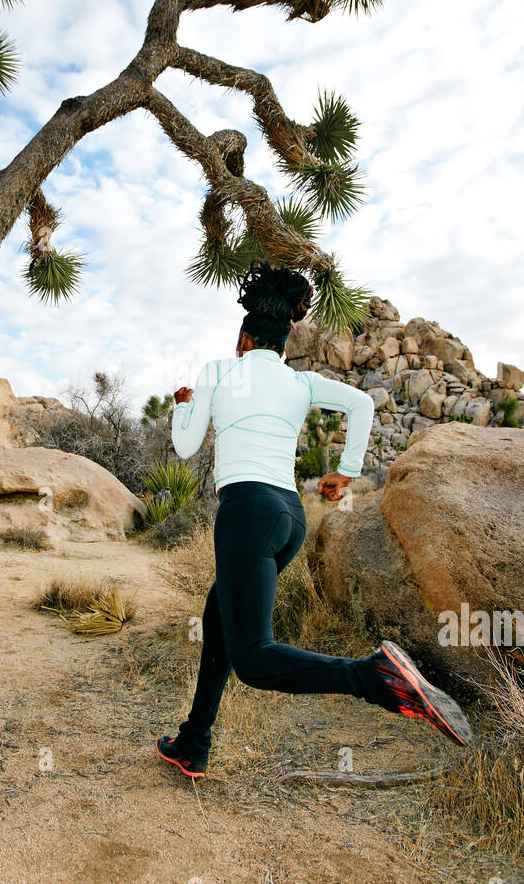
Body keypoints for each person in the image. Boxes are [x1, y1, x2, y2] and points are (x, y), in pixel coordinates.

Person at [156, 260, 472, 780]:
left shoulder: (218, 372)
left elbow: (186, 445)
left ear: (243, 337)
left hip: (248, 511)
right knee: (220, 621)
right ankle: (194, 742)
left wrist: (182, 409)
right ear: (286, 339)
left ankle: (374, 678)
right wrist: (345, 474)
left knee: (255, 657)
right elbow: (362, 406)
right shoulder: (300, 382)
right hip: (289, 518)